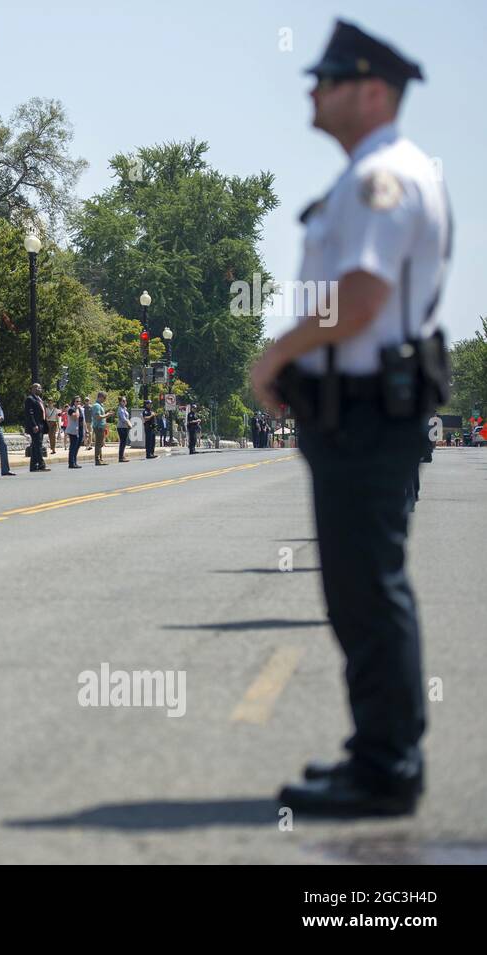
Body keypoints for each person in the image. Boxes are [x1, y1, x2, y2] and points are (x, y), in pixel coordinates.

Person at [251, 20, 450, 817]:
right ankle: (380, 753)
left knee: (367, 588)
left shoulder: (382, 178)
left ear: (371, 91)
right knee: (362, 587)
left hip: (369, 414)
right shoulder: (375, 173)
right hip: (358, 412)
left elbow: (363, 299)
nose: (312, 90)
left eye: (328, 80)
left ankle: (387, 765)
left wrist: (276, 355)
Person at [23, 383, 48, 472]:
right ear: (33, 389)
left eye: (40, 388)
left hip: (41, 424)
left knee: (36, 446)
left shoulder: (39, 399)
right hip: (35, 425)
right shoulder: (30, 399)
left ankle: (34, 466)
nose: (40, 389)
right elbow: (30, 414)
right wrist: (34, 425)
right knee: (38, 445)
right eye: (38, 388)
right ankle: (41, 464)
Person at [91, 391, 109, 466]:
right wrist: (107, 415)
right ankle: (97, 460)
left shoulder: (100, 405)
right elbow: (97, 416)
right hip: (98, 427)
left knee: (100, 443)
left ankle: (100, 459)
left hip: (101, 426)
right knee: (98, 444)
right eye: (104, 398)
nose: (105, 399)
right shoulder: (97, 406)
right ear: (100, 397)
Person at [65, 397, 84, 468]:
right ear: (73, 402)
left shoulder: (80, 409)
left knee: (77, 447)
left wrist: (85, 430)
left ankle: (75, 462)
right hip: (73, 430)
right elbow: (75, 417)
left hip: (80, 430)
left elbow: (82, 419)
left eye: (79, 401)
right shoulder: (71, 409)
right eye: (77, 401)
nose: (78, 403)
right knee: (73, 447)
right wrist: (76, 409)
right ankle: (71, 463)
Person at [116, 396, 132, 463]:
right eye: (123, 401)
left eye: (125, 400)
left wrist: (128, 423)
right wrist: (129, 423)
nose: (125, 402)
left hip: (125, 427)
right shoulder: (120, 409)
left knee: (124, 442)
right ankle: (120, 457)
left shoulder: (124, 408)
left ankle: (122, 455)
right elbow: (123, 419)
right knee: (122, 442)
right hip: (121, 427)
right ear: (120, 402)